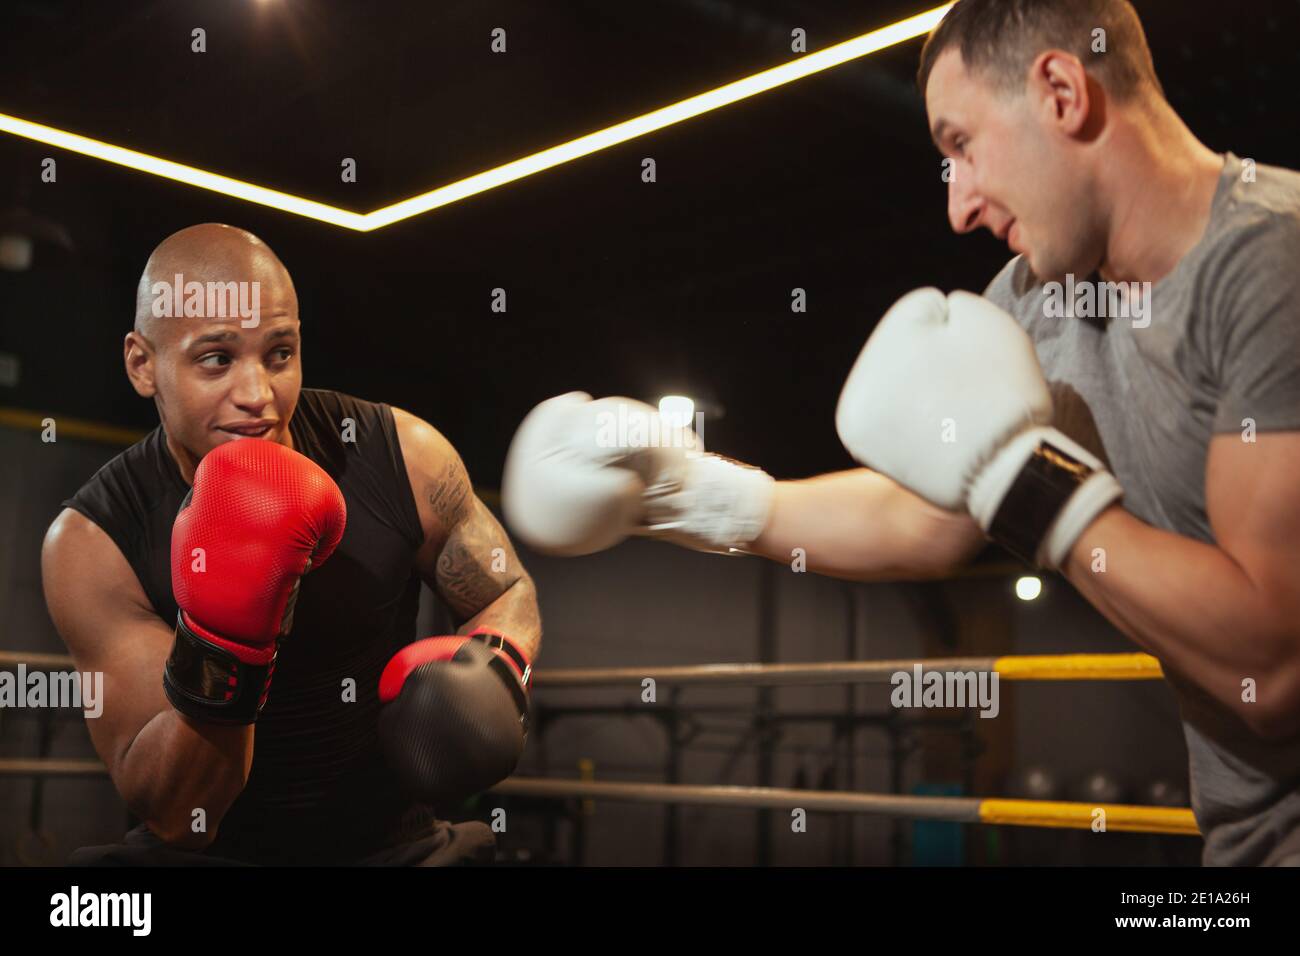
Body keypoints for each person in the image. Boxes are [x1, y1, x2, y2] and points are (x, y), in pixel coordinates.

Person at [501, 0, 1300, 866]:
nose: (956, 206)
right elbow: (929, 513)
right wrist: (687, 494)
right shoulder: (1041, 300)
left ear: (1063, 92)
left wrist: (1025, 486)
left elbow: (1274, 671)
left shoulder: (1270, 265)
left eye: (961, 145)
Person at [42, 223, 541, 865]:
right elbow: (176, 813)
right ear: (143, 365)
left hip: (396, 847)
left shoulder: (400, 455)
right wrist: (229, 640)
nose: (258, 397)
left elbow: (506, 586)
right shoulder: (94, 539)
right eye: (216, 359)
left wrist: (498, 664)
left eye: (279, 354)